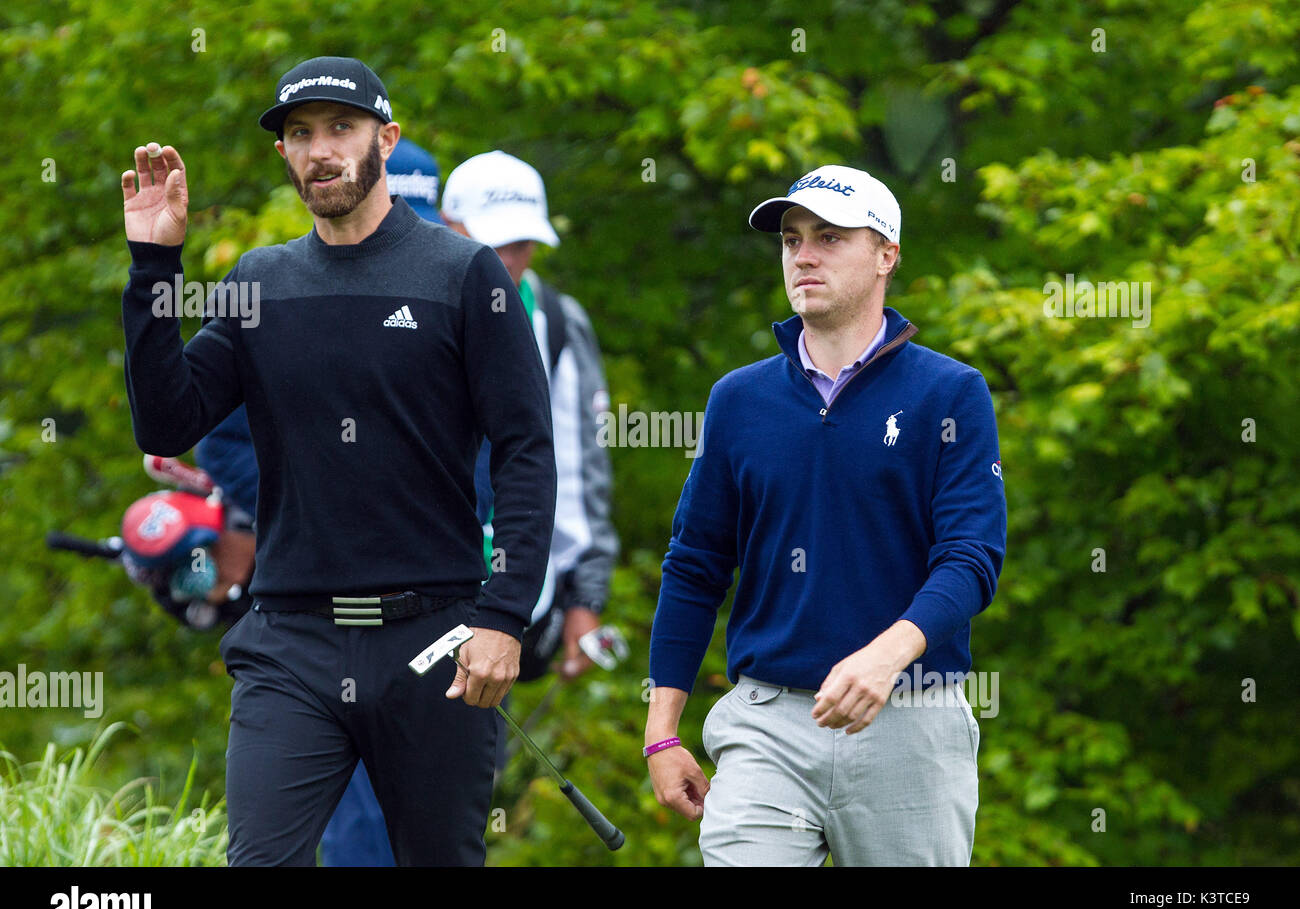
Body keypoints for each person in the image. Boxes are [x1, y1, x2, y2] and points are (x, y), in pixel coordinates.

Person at [119, 56, 556, 866]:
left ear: (385, 139)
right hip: (290, 643)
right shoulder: (260, 280)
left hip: (436, 640)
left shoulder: (464, 276)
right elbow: (167, 419)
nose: (320, 150)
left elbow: (528, 448)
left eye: (340, 129)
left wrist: (504, 618)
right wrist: (154, 269)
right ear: (284, 154)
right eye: (300, 134)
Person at [644, 164, 1007, 866]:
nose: (803, 255)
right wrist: (662, 732)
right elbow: (693, 569)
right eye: (791, 238)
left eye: (830, 237)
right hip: (765, 727)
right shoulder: (738, 400)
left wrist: (888, 652)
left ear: (885, 256)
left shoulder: (951, 394)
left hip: (911, 720)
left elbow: (971, 559)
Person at [440, 150, 618, 687]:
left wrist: (585, 595)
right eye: (495, 243)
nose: (509, 260)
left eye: (522, 243)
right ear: (449, 225)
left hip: (505, 588)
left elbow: (577, 461)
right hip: (395, 579)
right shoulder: (395, 302)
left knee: (470, 757)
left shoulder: (556, 320)